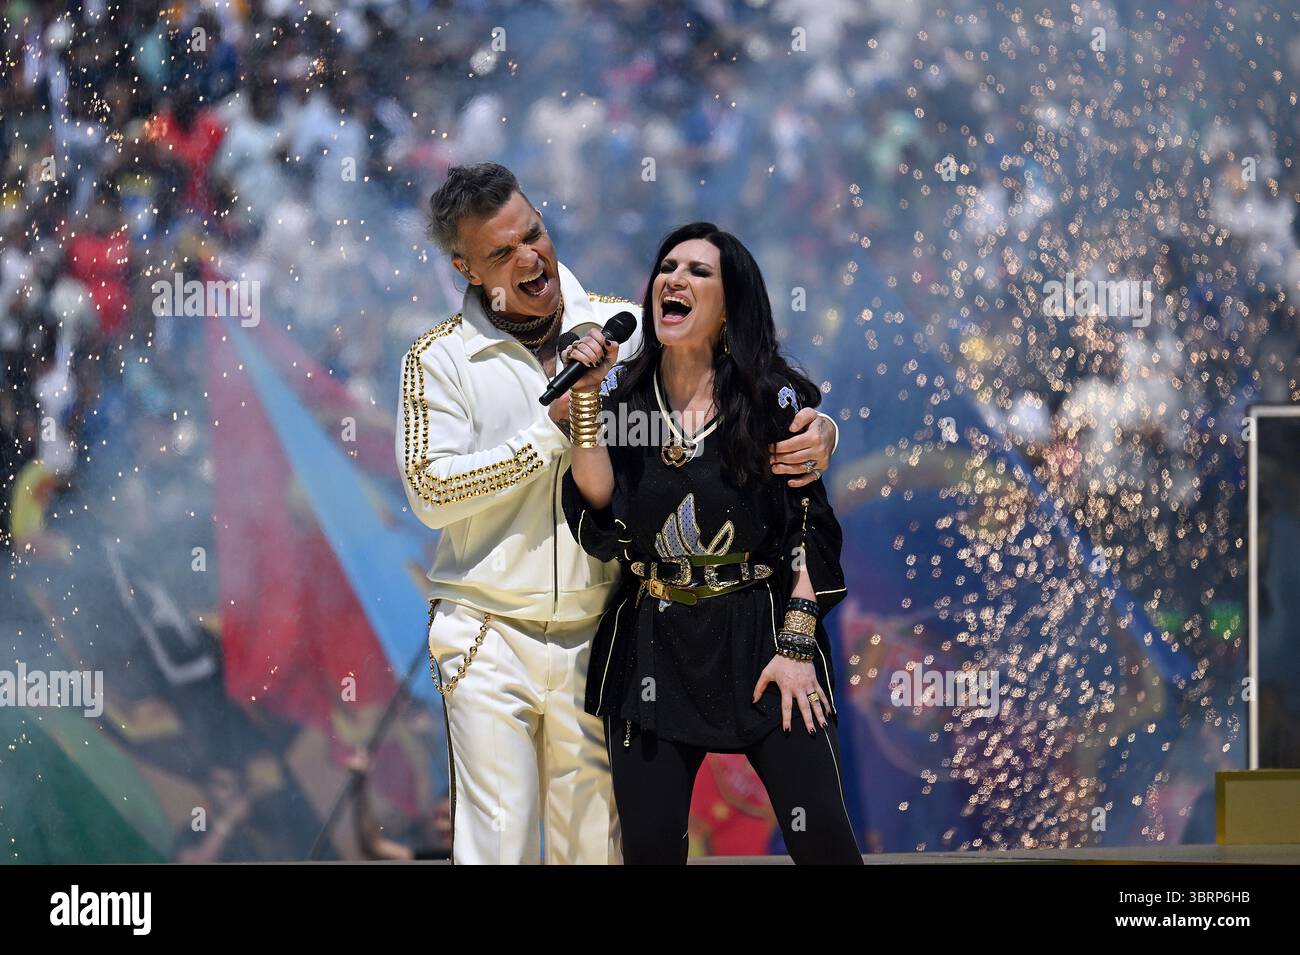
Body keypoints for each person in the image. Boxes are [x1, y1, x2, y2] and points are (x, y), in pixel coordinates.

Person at [398, 163, 841, 864]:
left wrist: (821, 432)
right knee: (498, 844)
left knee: (595, 850)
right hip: (487, 630)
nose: (530, 258)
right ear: (465, 267)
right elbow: (430, 492)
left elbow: (738, 383)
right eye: (501, 253)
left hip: (600, 634)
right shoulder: (439, 357)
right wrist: (558, 425)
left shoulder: (626, 328)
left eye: (533, 233)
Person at [560, 221, 863, 864]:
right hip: (651, 642)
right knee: (650, 854)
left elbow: (808, 528)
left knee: (826, 849)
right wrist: (585, 402)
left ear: (730, 305)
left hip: (764, 640)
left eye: (700, 272)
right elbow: (598, 506)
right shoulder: (621, 396)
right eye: (668, 267)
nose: (676, 278)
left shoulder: (770, 399)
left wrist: (798, 647)